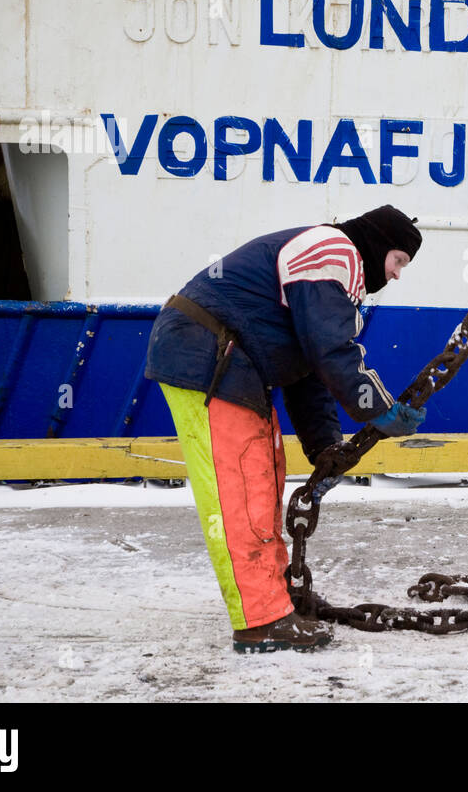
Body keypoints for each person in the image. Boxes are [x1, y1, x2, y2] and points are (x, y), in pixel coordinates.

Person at [144, 205, 427, 653]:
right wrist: (376, 408)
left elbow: (309, 370)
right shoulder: (335, 249)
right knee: (242, 489)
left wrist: (325, 447)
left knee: (263, 478)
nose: (396, 276)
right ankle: (261, 621)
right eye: (399, 261)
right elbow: (330, 351)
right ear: (377, 244)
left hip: (229, 361)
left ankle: (275, 601)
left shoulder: (332, 272)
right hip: (209, 354)